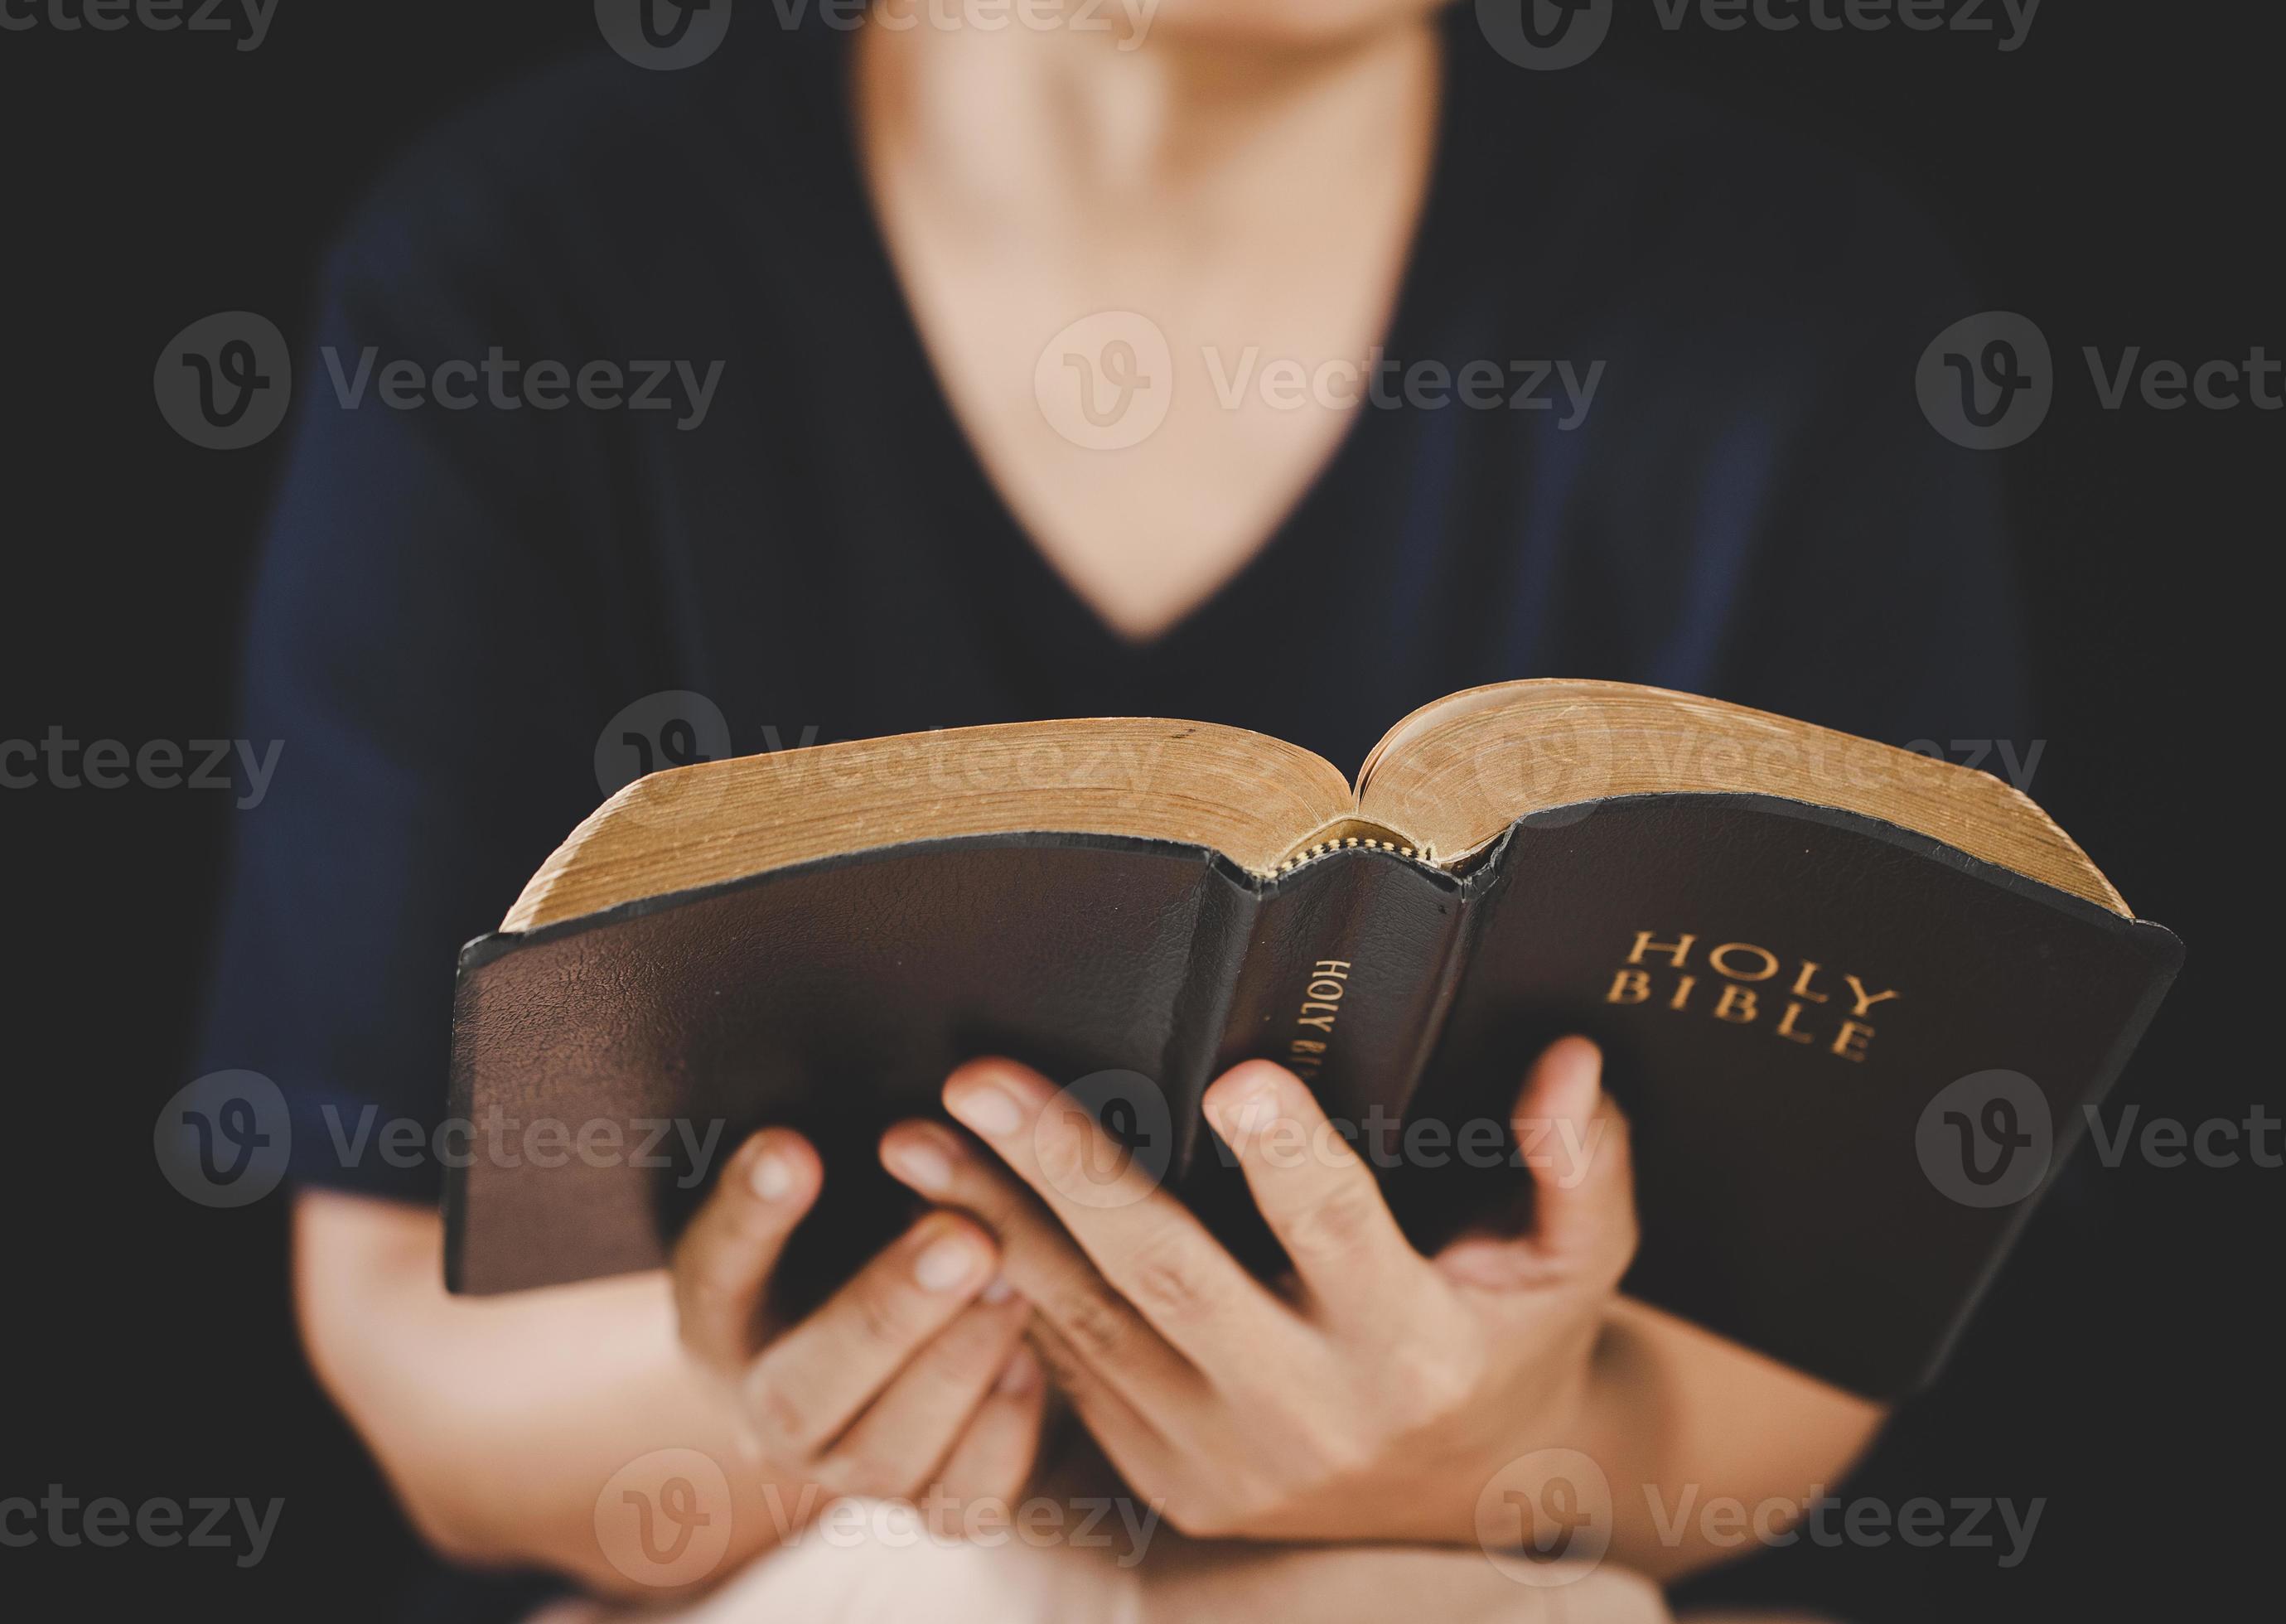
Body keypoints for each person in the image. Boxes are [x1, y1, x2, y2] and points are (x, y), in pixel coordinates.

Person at [203, 1, 2025, 1616]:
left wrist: (1513, 1437)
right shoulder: (514, 281)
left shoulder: (1791, 307)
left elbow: (1805, 1339)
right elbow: (407, 1327)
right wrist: (795, 1409)